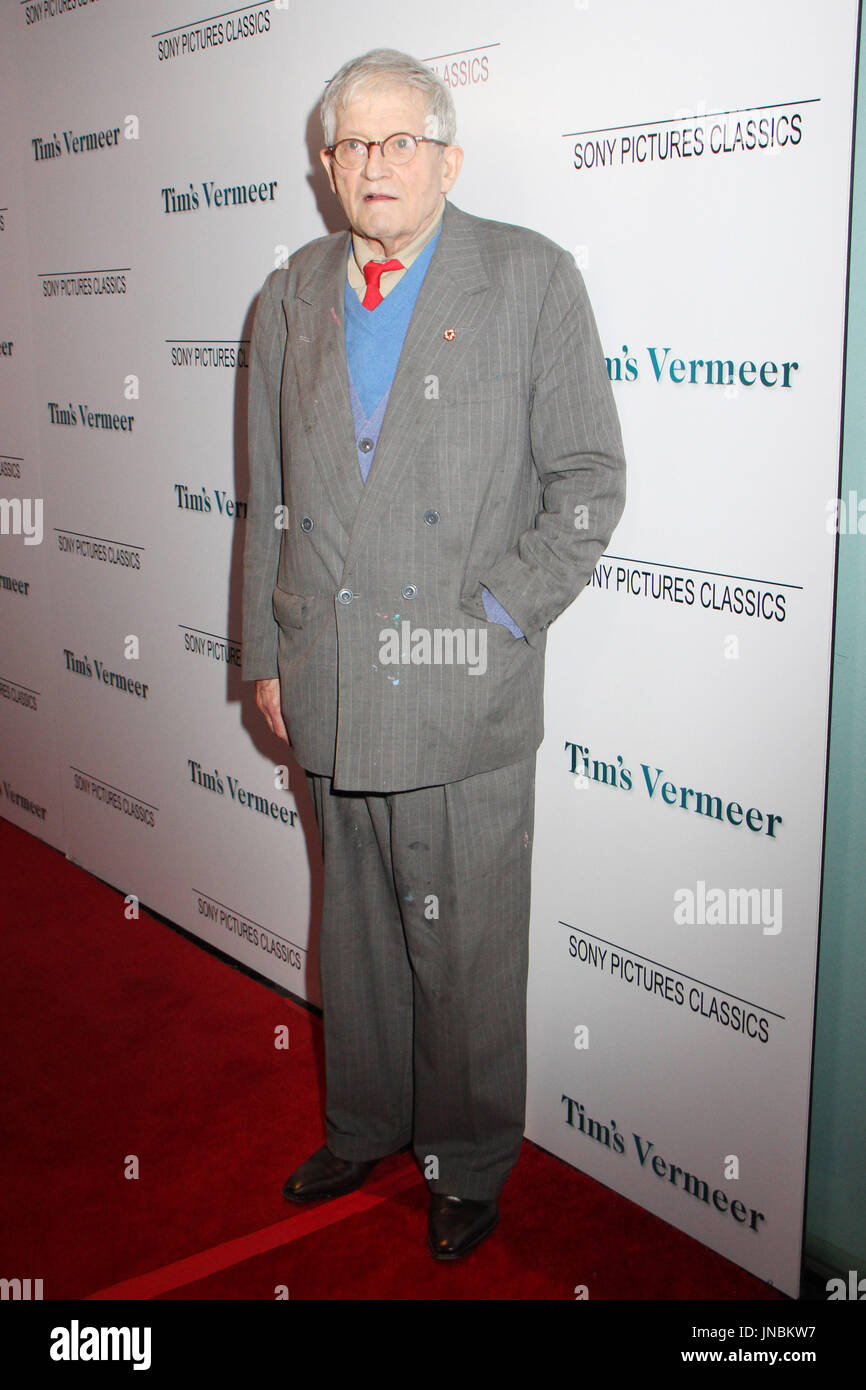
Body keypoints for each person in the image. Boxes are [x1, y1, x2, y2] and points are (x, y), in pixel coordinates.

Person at [241, 47, 625, 1260]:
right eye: (352, 144)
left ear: (448, 158)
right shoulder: (288, 295)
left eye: (399, 141)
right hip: (327, 680)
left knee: (460, 944)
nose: (373, 164)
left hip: (462, 694)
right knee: (351, 929)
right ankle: (361, 1122)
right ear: (324, 165)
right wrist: (263, 650)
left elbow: (584, 485)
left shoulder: (529, 279)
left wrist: (498, 623)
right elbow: (268, 500)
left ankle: (466, 1159)